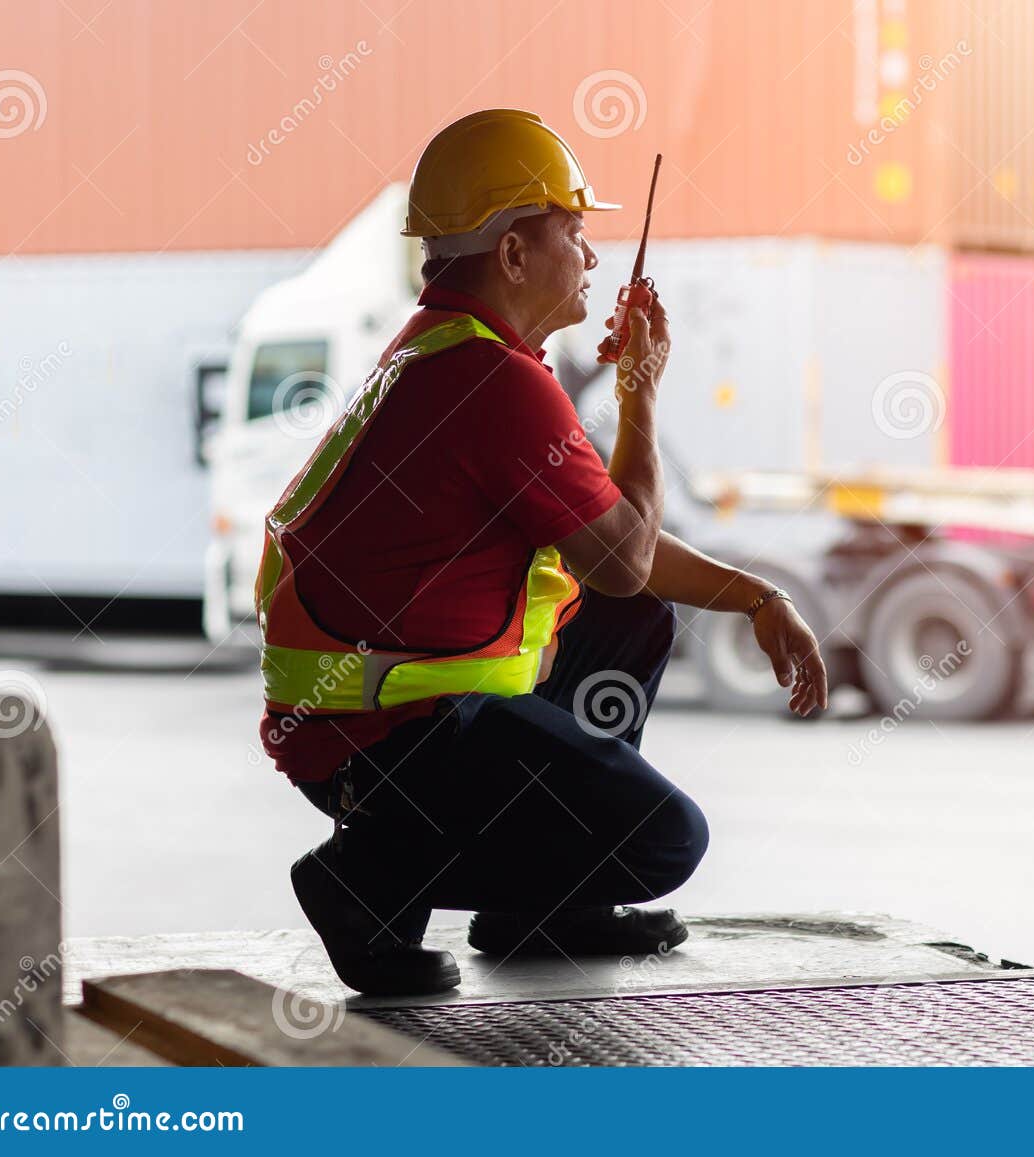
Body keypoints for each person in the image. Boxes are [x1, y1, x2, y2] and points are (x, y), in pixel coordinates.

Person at [254, 109, 829, 996]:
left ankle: (543, 911)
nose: (593, 257)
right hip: (385, 748)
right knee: (665, 839)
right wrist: (640, 395)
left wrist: (755, 596)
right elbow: (625, 556)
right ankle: (364, 878)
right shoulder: (492, 382)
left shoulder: (449, 356)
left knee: (631, 619)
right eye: (573, 231)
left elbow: (613, 555)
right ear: (515, 255)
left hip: (374, 729)